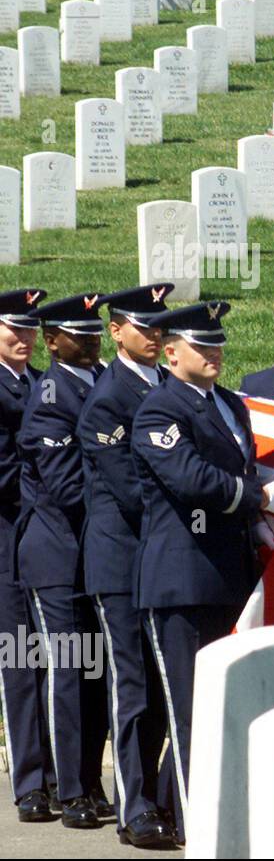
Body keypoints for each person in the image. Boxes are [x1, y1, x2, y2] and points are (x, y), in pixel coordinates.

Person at [132, 302, 274, 843]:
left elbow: (237, 465)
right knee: (191, 708)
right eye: (201, 345)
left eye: (217, 344)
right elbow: (191, 479)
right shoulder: (158, 410)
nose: (214, 352)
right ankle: (196, 823)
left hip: (228, 574)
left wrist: (260, 506)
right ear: (172, 352)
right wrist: (258, 495)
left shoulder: (229, 404)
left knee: (224, 703)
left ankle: (192, 805)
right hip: (182, 578)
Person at [76, 285, 178, 849]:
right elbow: (133, 489)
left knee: (160, 687)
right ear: (116, 332)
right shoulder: (107, 400)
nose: (154, 333)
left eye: (159, 324)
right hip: (120, 562)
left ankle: (158, 796)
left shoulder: (169, 386)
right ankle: (134, 807)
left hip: (160, 559)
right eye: (142, 325)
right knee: (131, 684)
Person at [16, 293, 113, 830]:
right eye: (78, 332)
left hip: (93, 551)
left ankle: (86, 780)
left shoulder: (100, 382)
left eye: (95, 330)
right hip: (57, 554)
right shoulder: (51, 397)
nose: (91, 338)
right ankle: (67, 788)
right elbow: (69, 485)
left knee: (95, 673)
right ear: (52, 342)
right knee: (69, 671)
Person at [0, 288, 56, 823]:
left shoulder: (41, 383)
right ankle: (30, 781)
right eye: (13, 328)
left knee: (53, 658)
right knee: (19, 659)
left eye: (31, 329)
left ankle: (60, 773)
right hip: (6, 532)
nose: (24, 338)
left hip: (41, 533)